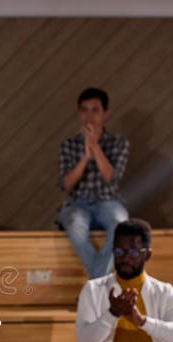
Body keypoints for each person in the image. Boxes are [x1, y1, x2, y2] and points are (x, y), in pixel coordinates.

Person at [58, 87, 130, 279]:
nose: (88, 115)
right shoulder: (69, 144)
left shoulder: (118, 143)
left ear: (105, 114)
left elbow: (111, 178)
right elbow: (66, 184)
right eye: (84, 109)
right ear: (78, 112)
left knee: (121, 225)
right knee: (74, 223)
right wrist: (85, 156)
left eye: (95, 110)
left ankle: (95, 284)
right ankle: (100, 284)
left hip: (109, 201)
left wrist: (95, 147)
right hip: (77, 203)